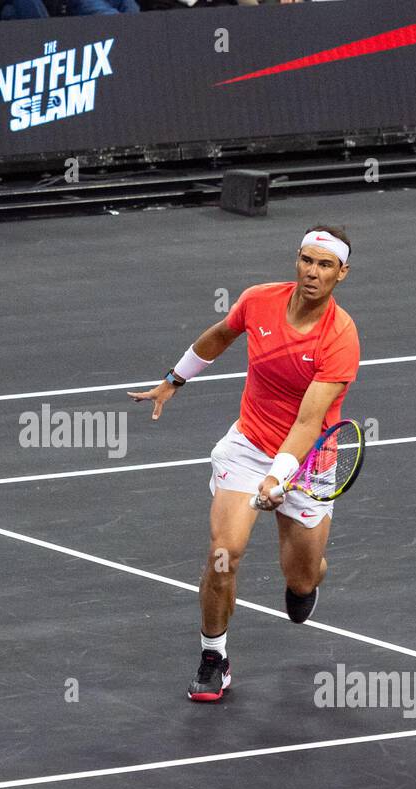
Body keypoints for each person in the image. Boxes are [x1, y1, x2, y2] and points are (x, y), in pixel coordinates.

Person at [129, 225, 361, 703]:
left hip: (309, 458)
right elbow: (220, 335)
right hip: (248, 446)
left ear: (342, 273)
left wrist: (279, 476)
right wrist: (175, 378)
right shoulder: (259, 301)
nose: (312, 273)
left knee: (300, 576)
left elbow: (308, 420)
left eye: (324, 265)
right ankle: (213, 658)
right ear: (296, 261)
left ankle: (307, 580)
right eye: (306, 260)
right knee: (224, 554)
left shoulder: (340, 337)